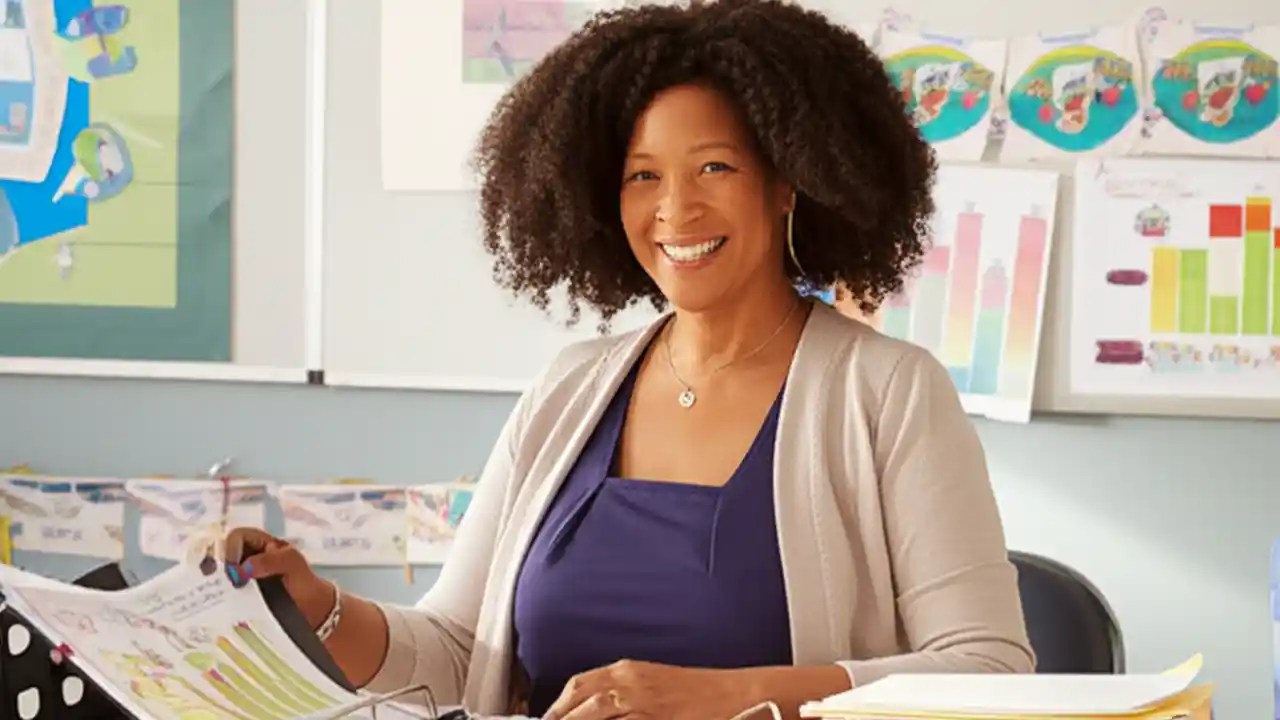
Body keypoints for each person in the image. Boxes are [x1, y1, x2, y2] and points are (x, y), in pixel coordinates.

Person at [211, 1, 1033, 717]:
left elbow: (988, 671)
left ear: (789, 181)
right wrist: (313, 606)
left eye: (715, 166)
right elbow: (462, 656)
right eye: (643, 176)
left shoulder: (886, 392)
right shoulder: (571, 388)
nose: (675, 209)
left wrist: (725, 698)